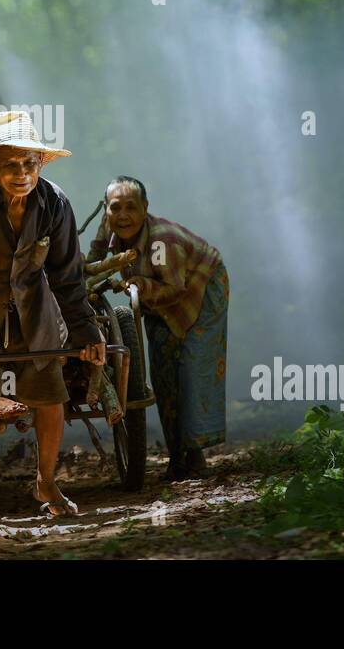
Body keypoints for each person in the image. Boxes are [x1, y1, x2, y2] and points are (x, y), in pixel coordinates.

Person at [0, 110, 107, 524]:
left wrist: (87, 330)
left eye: (30, 163)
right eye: (11, 164)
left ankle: (46, 483)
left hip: (35, 312)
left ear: (40, 165)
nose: (21, 173)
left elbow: (67, 276)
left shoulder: (55, 203)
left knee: (51, 399)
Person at [87, 176, 229, 481]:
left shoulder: (162, 241)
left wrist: (136, 283)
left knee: (189, 369)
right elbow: (94, 258)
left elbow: (174, 287)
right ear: (106, 211)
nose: (123, 215)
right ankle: (179, 457)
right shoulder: (111, 226)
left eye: (131, 207)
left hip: (199, 287)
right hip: (157, 297)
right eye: (115, 208)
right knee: (163, 372)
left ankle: (194, 457)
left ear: (145, 208)